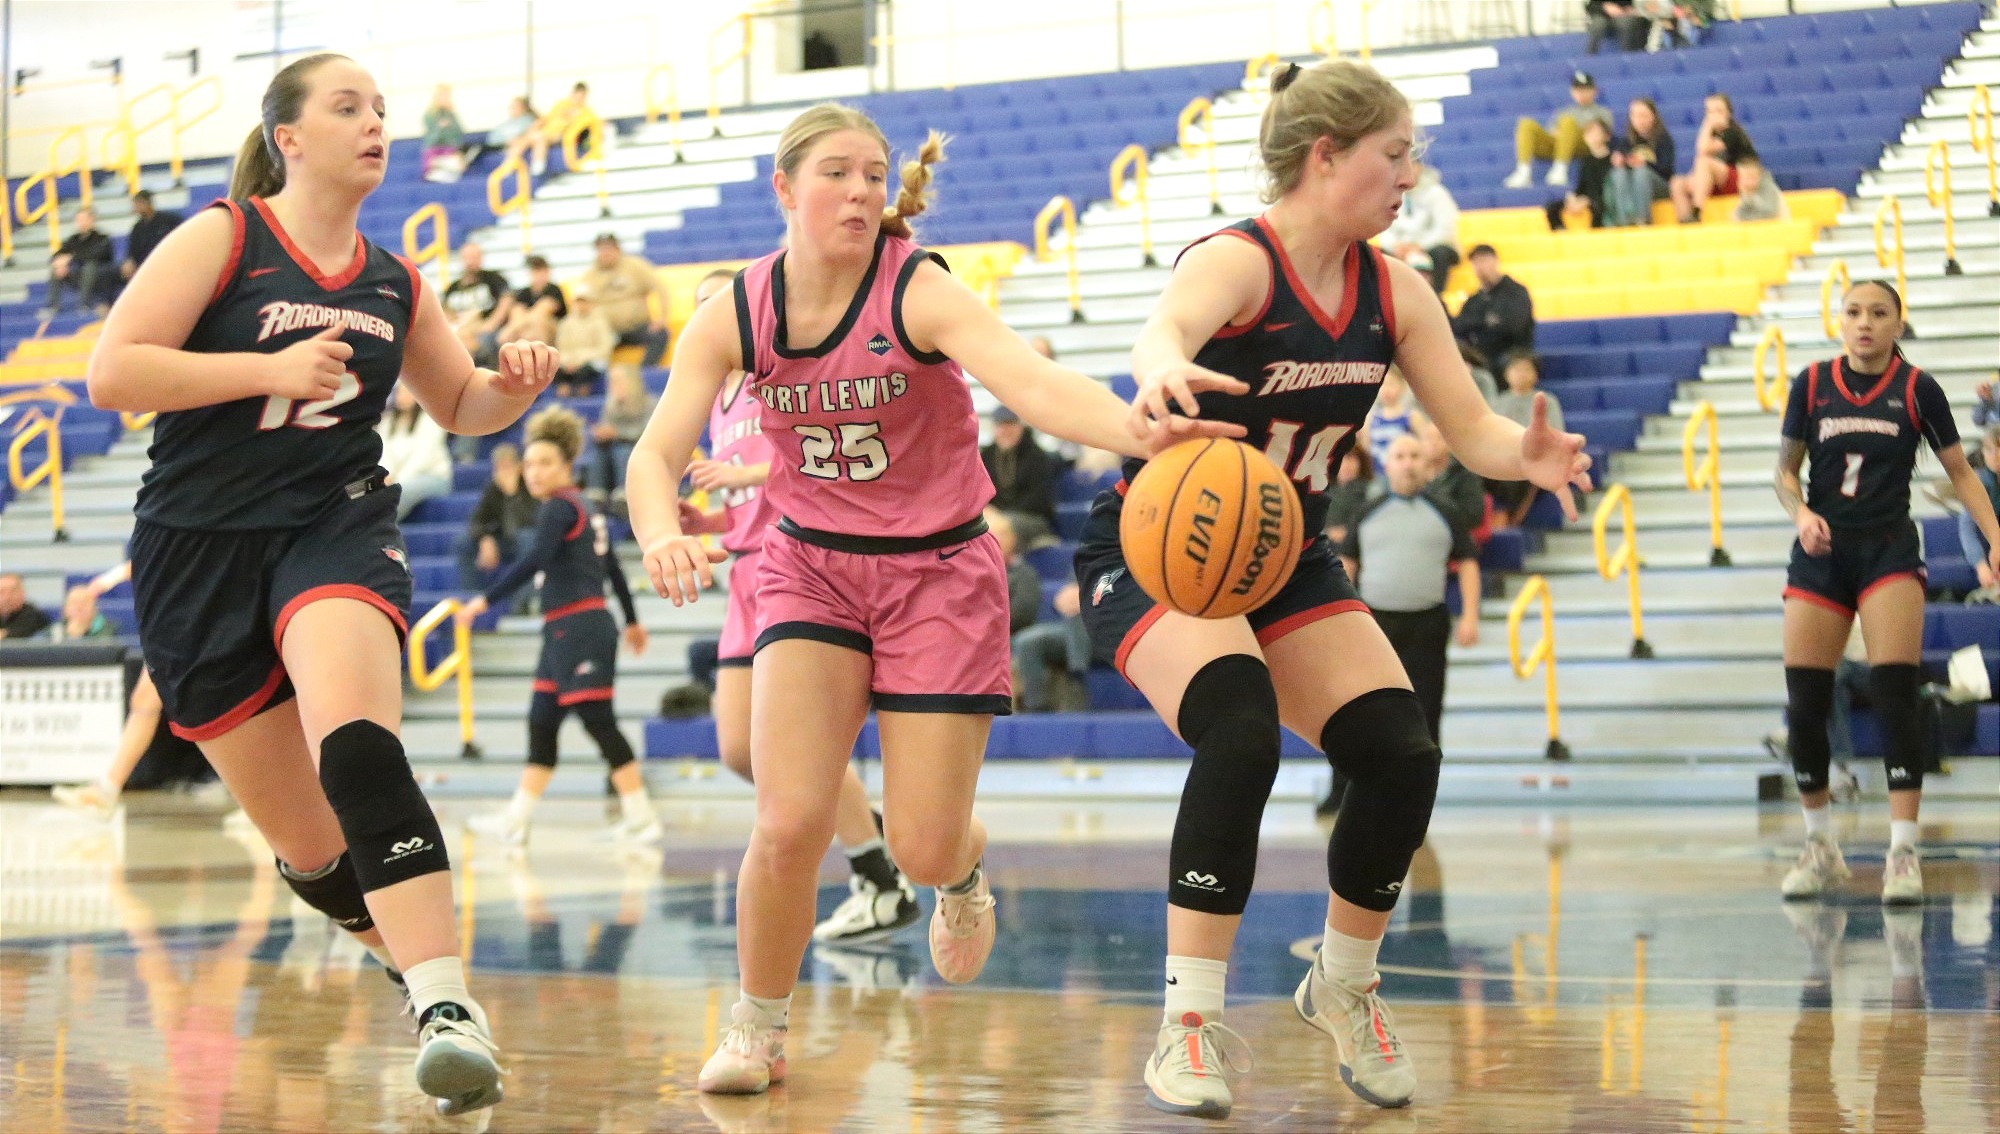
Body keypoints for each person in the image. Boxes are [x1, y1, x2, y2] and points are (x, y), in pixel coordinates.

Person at [623, 102, 1239, 1098]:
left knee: (918, 841)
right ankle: (756, 1027)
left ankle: (959, 871)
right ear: (782, 190)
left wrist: (1143, 434)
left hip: (938, 575)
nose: (862, 190)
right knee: (787, 820)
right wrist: (659, 533)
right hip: (809, 567)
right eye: (837, 173)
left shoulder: (917, 289)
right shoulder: (735, 310)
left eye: (874, 174)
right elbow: (654, 455)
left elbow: (1032, 386)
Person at [1074, 60, 1590, 1119]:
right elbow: (1158, 331)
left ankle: (1343, 986)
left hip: (1283, 550)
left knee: (1399, 753)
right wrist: (1160, 368)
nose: (1410, 174)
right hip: (1161, 549)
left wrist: (1522, 456)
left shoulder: (1395, 289)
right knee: (1240, 732)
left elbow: (1474, 426)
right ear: (1325, 156)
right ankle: (1185, 1025)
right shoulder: (1236, 263)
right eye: (1393, 154)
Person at [84, 53, 559, 1116]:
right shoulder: (224, 236)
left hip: (330, 526)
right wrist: (263, 368)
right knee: (308, 852)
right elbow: (113, 373)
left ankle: (444, 1004)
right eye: (347, 107)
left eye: (382, 109)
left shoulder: (398, 280)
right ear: (288, 138)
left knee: (357, 745)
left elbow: (463, 406)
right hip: (194, 554)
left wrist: (512, 389)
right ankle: (410, 965)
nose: (374, 123)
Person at [670, 265, 922, 948]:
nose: (709, 316)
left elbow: (824, 457)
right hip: (743, 573)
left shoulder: (779, 376)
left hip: (795, 567)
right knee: (738, 748)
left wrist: (744, 474)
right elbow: (744, 505)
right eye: (698, 308)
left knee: (791, 750)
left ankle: (877, 877)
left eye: (719, 303)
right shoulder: (711, 398)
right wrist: (708, 525)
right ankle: (862, 832)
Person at [1775, 280, 2000, 907]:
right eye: (1854, 313)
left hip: (1888, 551)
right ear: (1839, 322)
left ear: (1898, 323)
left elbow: (1960, 471)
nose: (1865, 323)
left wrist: (1994, 533)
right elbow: (1784, 473)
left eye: (1879, 313)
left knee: (1895, 689)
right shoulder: (1813, 384)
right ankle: (1820, 845)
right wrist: (1799, 515)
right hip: (1821, 554)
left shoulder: (1917, 388)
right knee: (1805, 701)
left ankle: (1903, 852)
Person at [459, 408, 658, 845]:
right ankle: (517, 820)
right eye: (528, 464)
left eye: (545, 463)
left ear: (568, 464)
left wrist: (485, 599)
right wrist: (632, 621)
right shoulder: (583, 506)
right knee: (542, 721)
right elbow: (615, 574)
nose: (534, 472)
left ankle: (642, 817)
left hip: (580, 626)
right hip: (564, 629)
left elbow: (536, 560)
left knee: (596, 719)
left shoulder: (559, 508)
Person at [1340, 433, 1482, 748]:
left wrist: (1471, 616)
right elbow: (1346, 565)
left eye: (1415, 456)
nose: (1408, 465)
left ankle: (1420, 789)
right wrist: (1343, 622)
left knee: (1426, 711)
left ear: (1426, 464)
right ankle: (1346, 792)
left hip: (1427, 625)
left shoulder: (1446, 510)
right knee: (1365, 708)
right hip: (1375, 625)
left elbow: (1469, 563)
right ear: (1386, 466)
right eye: (1400, 457)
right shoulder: (1366, 512)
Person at [1490, 352, 1566, 526]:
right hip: (1502, 458)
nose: (1520, 373)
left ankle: (1505, 521)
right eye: (1515, 369)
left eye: (1526, 369)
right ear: (1506, 374)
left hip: (1535, 458)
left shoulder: (1547, 401)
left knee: (1521, 473)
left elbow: (1556, 435)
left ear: (1535, 374)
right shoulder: (1497, 403)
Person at [1503, 71, 1614, 189]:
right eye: (1577, 89)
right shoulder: (1563, 111)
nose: (1581, 93)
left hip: (1584, 146)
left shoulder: (1603, 113)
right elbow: (1552, 132)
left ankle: (1560, 168)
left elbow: (1604, 136)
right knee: (1525, 123)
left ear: (1594, 91)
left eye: (1585, 89)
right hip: (1558, 145)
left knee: (1568, 122)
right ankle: (1523, 171)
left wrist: (1575, 131)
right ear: (1572, 92)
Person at [456, 442, 539, 594]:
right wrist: (485, 539)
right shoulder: (494, 487)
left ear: (519, 467)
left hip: (527, 540)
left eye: (507, 467)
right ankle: (474, 596)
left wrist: (512, 494)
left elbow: (529, 522)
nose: (503, 473)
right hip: (505, 541)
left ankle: (522, 603)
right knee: (463, 543)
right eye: (498, 468)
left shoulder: (531, 485)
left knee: (526, 538)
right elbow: (476, 520)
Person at [579, 233, 671, 367]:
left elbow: (661, 288)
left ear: (617, 249)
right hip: (606, 332)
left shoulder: (635, 266)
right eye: (601, 250)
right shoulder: (589, 276)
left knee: (660, 335)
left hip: (636, 327)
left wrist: (662, 318)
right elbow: (580, 304)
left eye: (609, 249)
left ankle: (644, 373)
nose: (605, 253)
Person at [982, 405, 1067, 548]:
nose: (1005, 431)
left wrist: (1001, 516)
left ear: (1019, 427)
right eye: (1000, 426)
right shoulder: (987, 456)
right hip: (997, 517)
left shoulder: (1037, 457)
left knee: (1002, 529)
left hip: (1032, 518)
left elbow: (1039, 500)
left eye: (1010, 425)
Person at [1671, 93, 1759, 223]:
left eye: (1718, 110)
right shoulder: (1710, 133)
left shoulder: (1733, 132)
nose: (1714, 115)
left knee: (1704, 162)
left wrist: (1707, 125)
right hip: (1717, 179)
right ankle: (1686, 222)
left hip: (1741, 178)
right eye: (1710, 111)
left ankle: (1697, 211)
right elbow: (1700, 155)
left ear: (1728, 113)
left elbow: (1703, 149)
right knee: (1677, 182)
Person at [1450, 245, 1535, 372]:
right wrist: (1487, 321)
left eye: (1484, 260)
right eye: (1475, 262)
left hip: (1512, 353)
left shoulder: (1516, 292)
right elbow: (1460, 325)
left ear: (1495, 261)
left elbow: (1514, 326)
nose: (1480, 267)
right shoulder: (1474, 300)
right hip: (1480, 354)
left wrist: (1479, 325)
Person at [378, 382, 454, 520]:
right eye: (400, 392)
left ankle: (377, 532)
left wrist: (396, 479)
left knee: (397, 491)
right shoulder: (387, 422)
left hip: (432, 477)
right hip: (394, 478)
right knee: (361, 490)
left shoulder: (431, 421)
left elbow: (423, 458)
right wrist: (387, 476)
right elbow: (383, 454)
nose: (402, 396)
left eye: (408, 392)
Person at [1378, 165, 1459, 293]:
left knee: (1440, 254)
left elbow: (1444, 229)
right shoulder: (1391, 193)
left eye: (1412, 165)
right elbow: (1384, 226)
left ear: (1420, 167)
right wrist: (1396, 246)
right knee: (1376, 255)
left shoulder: (1437, 193)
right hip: (1402, 248)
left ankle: (1436, 296)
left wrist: (1419, 246)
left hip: (1432, 246)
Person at [1605, 96, 1675, 228]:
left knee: (1641, 172)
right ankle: (1624, 220)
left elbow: (1667, 171)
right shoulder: (1625, 141)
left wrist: (1645, 163)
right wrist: (1618, 160)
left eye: (1643, 116)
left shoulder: (1664, 140)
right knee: (1618, 174)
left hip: (1658, 185)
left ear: (1653, 117)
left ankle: (1643, 219)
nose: (1639, 120)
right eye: (1635, 116)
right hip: (1631, 184)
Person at [442, 242, 513, 368]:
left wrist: (492, 322)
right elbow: (445, 311)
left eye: (474, 257)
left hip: (485, 327)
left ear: (481, 258)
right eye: (467, 258)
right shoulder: (453, 287)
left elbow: (506, 300)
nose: (470, 262)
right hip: (461, 328)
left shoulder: (492, 279)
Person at [593, 361, 656, 499]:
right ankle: (596, 493)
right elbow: (606, 425)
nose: (614, 387)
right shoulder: (611, 406)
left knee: (622, 452)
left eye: (618, 382)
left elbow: (648, 433)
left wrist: (617, 433)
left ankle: (624, 494)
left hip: (639, 448)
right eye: (612, 382)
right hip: (613, 447)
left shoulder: (649, 403)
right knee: (599, 452)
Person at [42, 207, 116, 317]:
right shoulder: (74, 239)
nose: (81, 223)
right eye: (78, 220)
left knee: (89, 266)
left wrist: (70, 258)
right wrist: (60, 263)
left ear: (92, 220)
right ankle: (52, 306)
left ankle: (83, 304)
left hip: (101, 275)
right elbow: (56, 255)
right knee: (56, 268)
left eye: (84, 219)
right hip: (78, 274)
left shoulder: (102, 238)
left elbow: (96, 255)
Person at [508, 82, 591, 177]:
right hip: (546, 131)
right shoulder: (561, 104)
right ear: (573, 94)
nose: (578, 99)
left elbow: (579, 128)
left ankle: (537, 168)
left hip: (559, 135)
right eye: (577, 95)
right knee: (521, 140)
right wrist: (535, 125)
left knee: (540, 138)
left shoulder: (585, 112)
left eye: (581, 96)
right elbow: (547, 118)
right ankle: (510, 165)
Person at [1546, 119, 1614, 231]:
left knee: (1597, 208)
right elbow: (1581, 185)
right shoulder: (1585, 161)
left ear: (1606, 136)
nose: (1593, 138)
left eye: (1597, 133)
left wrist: (1587, 200)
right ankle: (1561, 232)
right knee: (1552, 207)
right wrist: (1573, 197)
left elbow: (1606, 188)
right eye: (1589, 134)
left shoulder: (1612, 160)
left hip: (1601, 199)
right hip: (1585, 198)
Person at [553, 285, 616, 397]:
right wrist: (568, 361)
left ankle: (583, 397)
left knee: (585, 372)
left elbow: (604, 349)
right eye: (579, 301)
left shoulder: (601, 322)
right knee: (558, 372)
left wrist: (580, 359)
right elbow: (561, 347)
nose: (582, 305)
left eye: (584, 301)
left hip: (593, 361)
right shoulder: (566, 323)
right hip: (570, 362)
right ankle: (563, 400)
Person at [1960, 425, 2000, 594]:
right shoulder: (1980, 482)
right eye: (1990, 450)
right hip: (1984, 543)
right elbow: (1967, 528)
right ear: (1983, 453)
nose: (1996, 456)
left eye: (1999, 450)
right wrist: (1980, 564)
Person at [501, 254, 567, 347]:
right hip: (526, 329)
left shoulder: (553, 289)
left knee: (538, 321)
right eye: (535, 271)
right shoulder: (525, 292)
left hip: (552, 328)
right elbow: (516, 311)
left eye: (541, 271)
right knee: (519, 315)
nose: (538, 275)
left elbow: (543, 310)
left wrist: (511, 329)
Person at [122, 191, 184, 280]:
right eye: (135, 204)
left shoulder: (169, 220)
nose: (136, 207)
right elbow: (132, 250)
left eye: (139, 203)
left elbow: (180, 238)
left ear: (148, 203)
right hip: (145, 266)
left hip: (167, 261)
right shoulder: (137, 228)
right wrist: (129, 261)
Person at [1363, 368, 1415, 474]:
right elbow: (1366, 449)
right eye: (1382, 384)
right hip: (1378, 474)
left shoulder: (1411, 416)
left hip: (1404, 473)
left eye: (1391, 384)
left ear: (1402, 386)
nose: (1386, 389)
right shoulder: (1371, 418)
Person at [420, 85, 467, 183]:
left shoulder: (451, 115)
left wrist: (452, 113)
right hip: (435, 152)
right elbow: (431, 140)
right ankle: (438, 170)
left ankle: (444, 171)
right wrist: (440, 128)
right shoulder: (429, 116)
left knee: (458, 163)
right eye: (443, 96)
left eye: (447, 96)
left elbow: (458, 136)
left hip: (450, 152)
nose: (446, 99)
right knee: (451, 164)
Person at [44, 584, 118, 640]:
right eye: (74, 603)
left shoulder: (109, 630)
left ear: (95, 609)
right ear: (65, 610)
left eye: (84, 603)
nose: (79, 608)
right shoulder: (54, 631)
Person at [1730, 156, 1787, 222]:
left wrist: (1749, 199)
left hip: (1777, 228)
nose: (1747, 181)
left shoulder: (1769, 188)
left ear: (1759, 176)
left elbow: (1769, 213)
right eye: (1743, 178)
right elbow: (1740, 214)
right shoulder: (1747, 191)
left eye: (1751, 177)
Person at [0, 572, 53, 639]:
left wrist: (4, 634)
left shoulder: (33, 614)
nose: (7, 596)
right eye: (2, 592)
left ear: (22, 593)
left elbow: (23, 632)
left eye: (13, 591)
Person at [1585, 1, 1650, 53]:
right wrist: (1604, 8)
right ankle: (1590, 57)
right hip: (1601, 15)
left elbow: (1629, 6)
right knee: (1598, 24)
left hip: (1621, 15)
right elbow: (1591, 6)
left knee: (1626, 23)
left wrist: (1624, 10)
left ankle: (1627, 56)